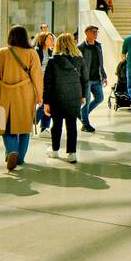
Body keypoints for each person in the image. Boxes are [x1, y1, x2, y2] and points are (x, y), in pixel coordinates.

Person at [0, 26, 44, 172]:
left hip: (4, 93)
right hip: (26, 94)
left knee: (5, 126)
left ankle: (11, 150)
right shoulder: (32, 53)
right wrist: (39, 96)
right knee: (25, 128)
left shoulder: (0, 53)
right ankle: (20, 158)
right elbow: (37, 77)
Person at [43, 32, 84, 163]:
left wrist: (46, 102)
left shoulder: (53, 61)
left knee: (57, 124)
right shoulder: (79, 59)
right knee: (72, 124)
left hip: (57, 96)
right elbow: (85, 79)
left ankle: (55, 151)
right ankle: (72, 154)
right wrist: (83, 95)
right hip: (75, 96)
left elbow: (47, 83)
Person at [78, 25, 105, 134]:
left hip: (97, 78)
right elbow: (79, 65)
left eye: (96, 32)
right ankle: (85, 124)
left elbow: (101, 62)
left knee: (100, 98)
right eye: (93, 31)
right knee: (87, 101)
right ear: (86, 32)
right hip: (86, 79)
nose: (95, 33)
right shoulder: (81, 48)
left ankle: (82, 115)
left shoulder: (98, 46)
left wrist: (104, 75)